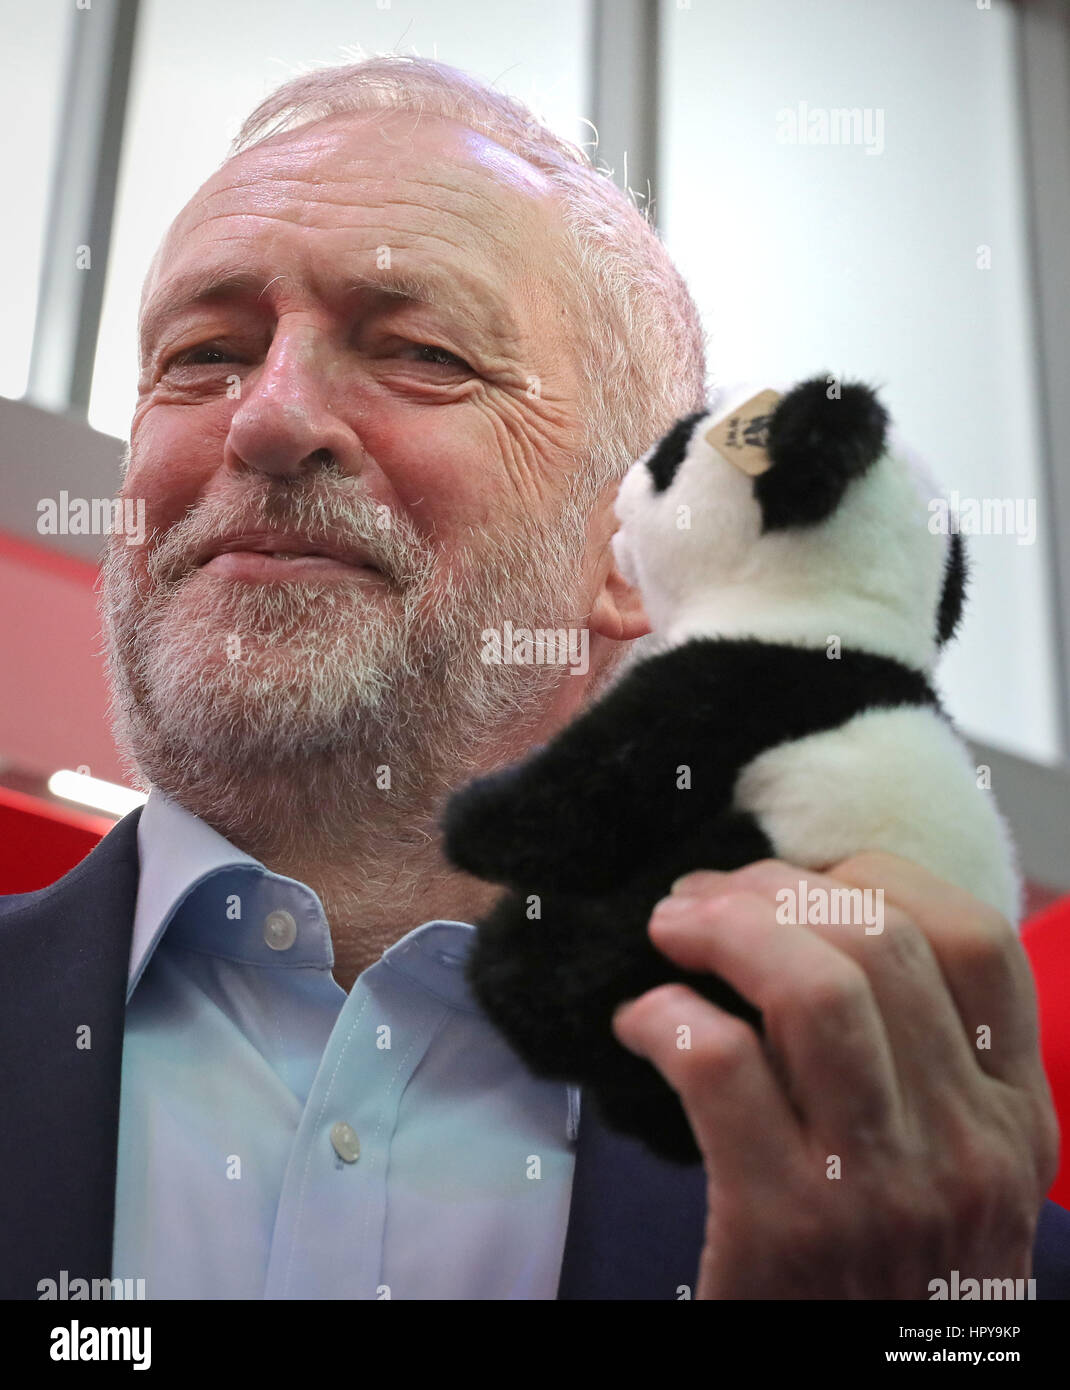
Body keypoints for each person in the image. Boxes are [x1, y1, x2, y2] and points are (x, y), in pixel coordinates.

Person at [2, 55, 1067, 1301]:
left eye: (420, 353)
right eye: (200, 353)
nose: (267, 417)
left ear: (629, 550)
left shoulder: (950, 1256)